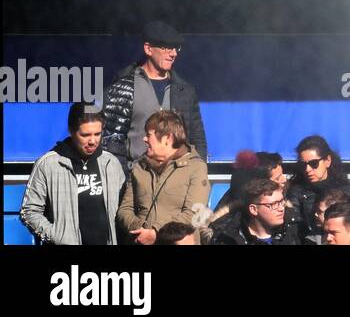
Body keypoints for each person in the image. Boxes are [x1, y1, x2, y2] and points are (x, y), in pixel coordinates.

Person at [102, 21, 207, 165]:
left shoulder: (185, 91)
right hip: (136, 177)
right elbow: (112, 139)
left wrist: (196, 171)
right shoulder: (123, 87)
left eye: (176, 48)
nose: (173, 53)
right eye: (166, 48)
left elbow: (197, 138)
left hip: (176, 179)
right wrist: (124, 178)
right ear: (148, 49)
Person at [21, 103, 127, 245]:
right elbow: (29, 211)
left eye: (97, 134)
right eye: (85, 135)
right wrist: (56, 236)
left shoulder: (111, 163)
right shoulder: (49, 164)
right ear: (71, 131)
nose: (93, 141)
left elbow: (125, 209)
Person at [117, 110, 211, 245]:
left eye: (149, 135)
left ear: (167, 138)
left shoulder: (196, 167)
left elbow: (194, 214)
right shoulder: (140, 167)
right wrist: (139, 229)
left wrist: (156, 233)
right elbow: (124, 210)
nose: (144, 139)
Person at [285, 133, 350, 241]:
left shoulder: (347, 191)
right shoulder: (296, 192)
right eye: (303, 165)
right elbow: (294, 229)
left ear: (327, 161)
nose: (307, 169)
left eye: (313, 163)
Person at [210, 177, 300, 244]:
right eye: (273, 205)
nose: (281, 208)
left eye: (281, 202)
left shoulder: (295, 227)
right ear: (253, 209)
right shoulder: (229, 239)